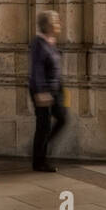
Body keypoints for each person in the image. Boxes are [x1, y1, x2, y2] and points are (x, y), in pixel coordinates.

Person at [28, 11, 66, 170]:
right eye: (56, 22)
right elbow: (36, 70)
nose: (59, 24)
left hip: (54, 90)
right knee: (43, 126)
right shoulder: (39, 44)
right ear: (49, 26)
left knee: (62, 118)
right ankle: (39, 161)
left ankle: (41, 149)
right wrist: (40, 92)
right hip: (42, 91)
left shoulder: (50, 41)